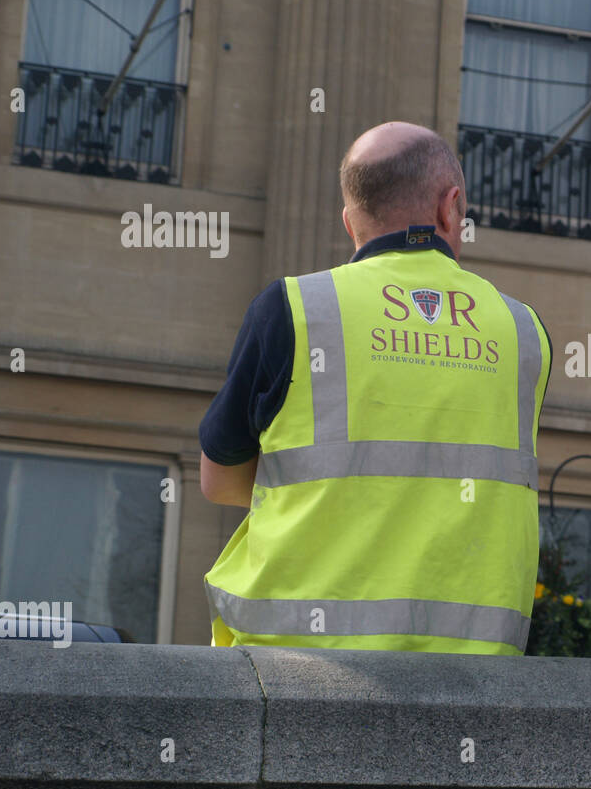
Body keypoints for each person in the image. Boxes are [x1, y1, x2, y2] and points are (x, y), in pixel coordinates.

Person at [198, 122, 551, 653]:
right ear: (451, 207)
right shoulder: (523, 330)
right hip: (472, 678)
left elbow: (219, 483)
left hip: (294, 670)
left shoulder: (294, 308)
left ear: (350, 221)